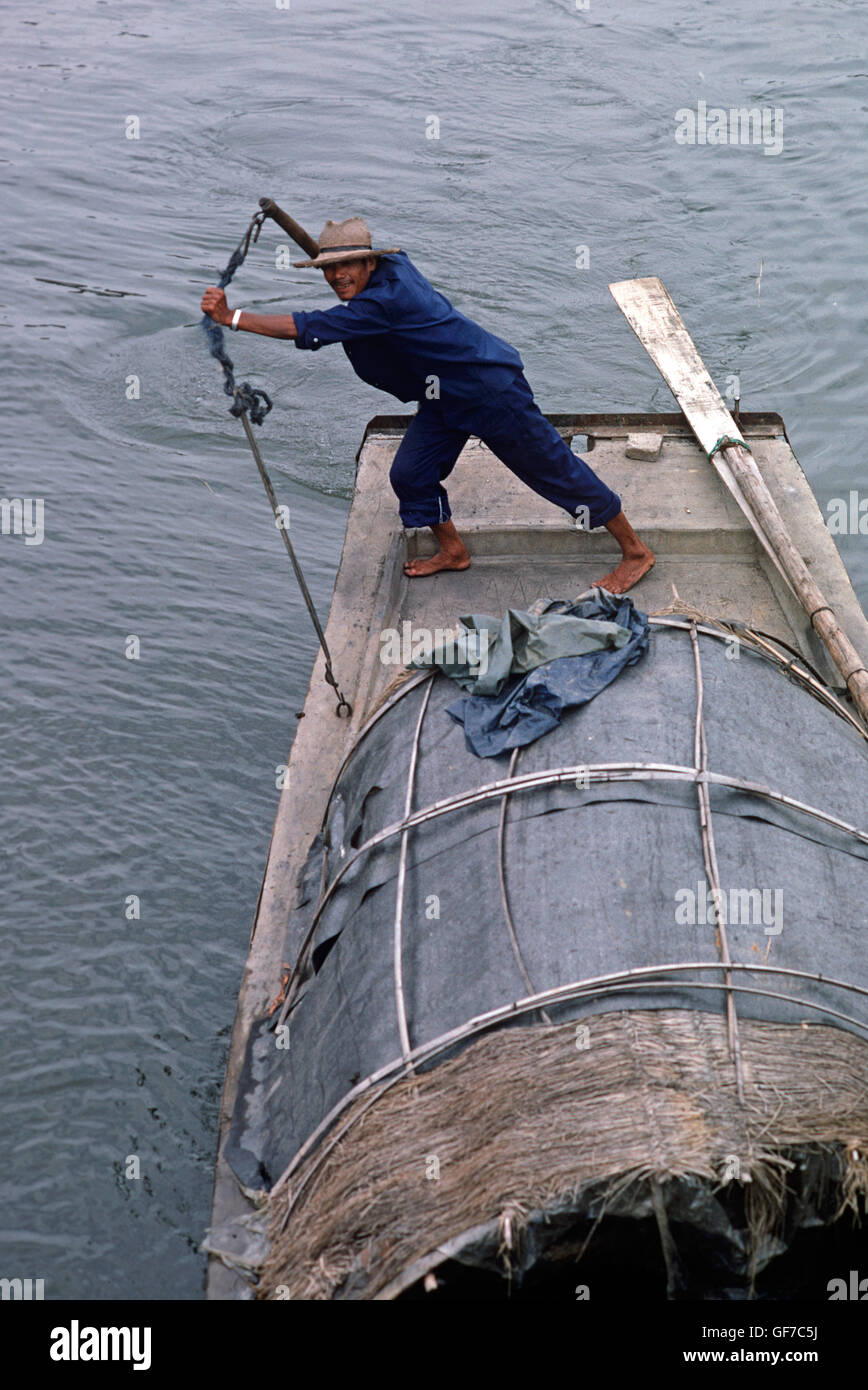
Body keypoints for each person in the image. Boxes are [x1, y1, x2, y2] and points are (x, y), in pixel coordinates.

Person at [201, 217, 654, 591]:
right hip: (442, 394)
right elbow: (345, 283)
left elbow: (307, 327)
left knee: (554, 470)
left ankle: (635, 552)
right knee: (410, 475)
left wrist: (231, 317)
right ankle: (453, 551)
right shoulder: (392, 270)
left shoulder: (384, 303)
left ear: (370, 262)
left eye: (348, 267)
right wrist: (337, 260)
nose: (337, 278)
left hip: (488, 388)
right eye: (328, 270)